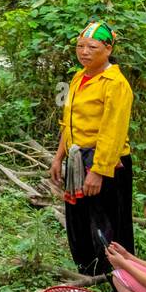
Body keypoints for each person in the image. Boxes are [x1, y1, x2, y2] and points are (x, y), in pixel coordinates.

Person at [50, 21, 135, 275]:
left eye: (92, 47)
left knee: (108, 224)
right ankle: (88, 273)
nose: (84, 52)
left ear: (108, 49)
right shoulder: (78, 77)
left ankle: (117, 281)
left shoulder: (115, 83)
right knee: (78, 222)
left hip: (106, 163)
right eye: (80, 46)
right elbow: (69, 122)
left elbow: (113, 131)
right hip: (77, 160)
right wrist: (58, 157)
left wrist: (98, 170)